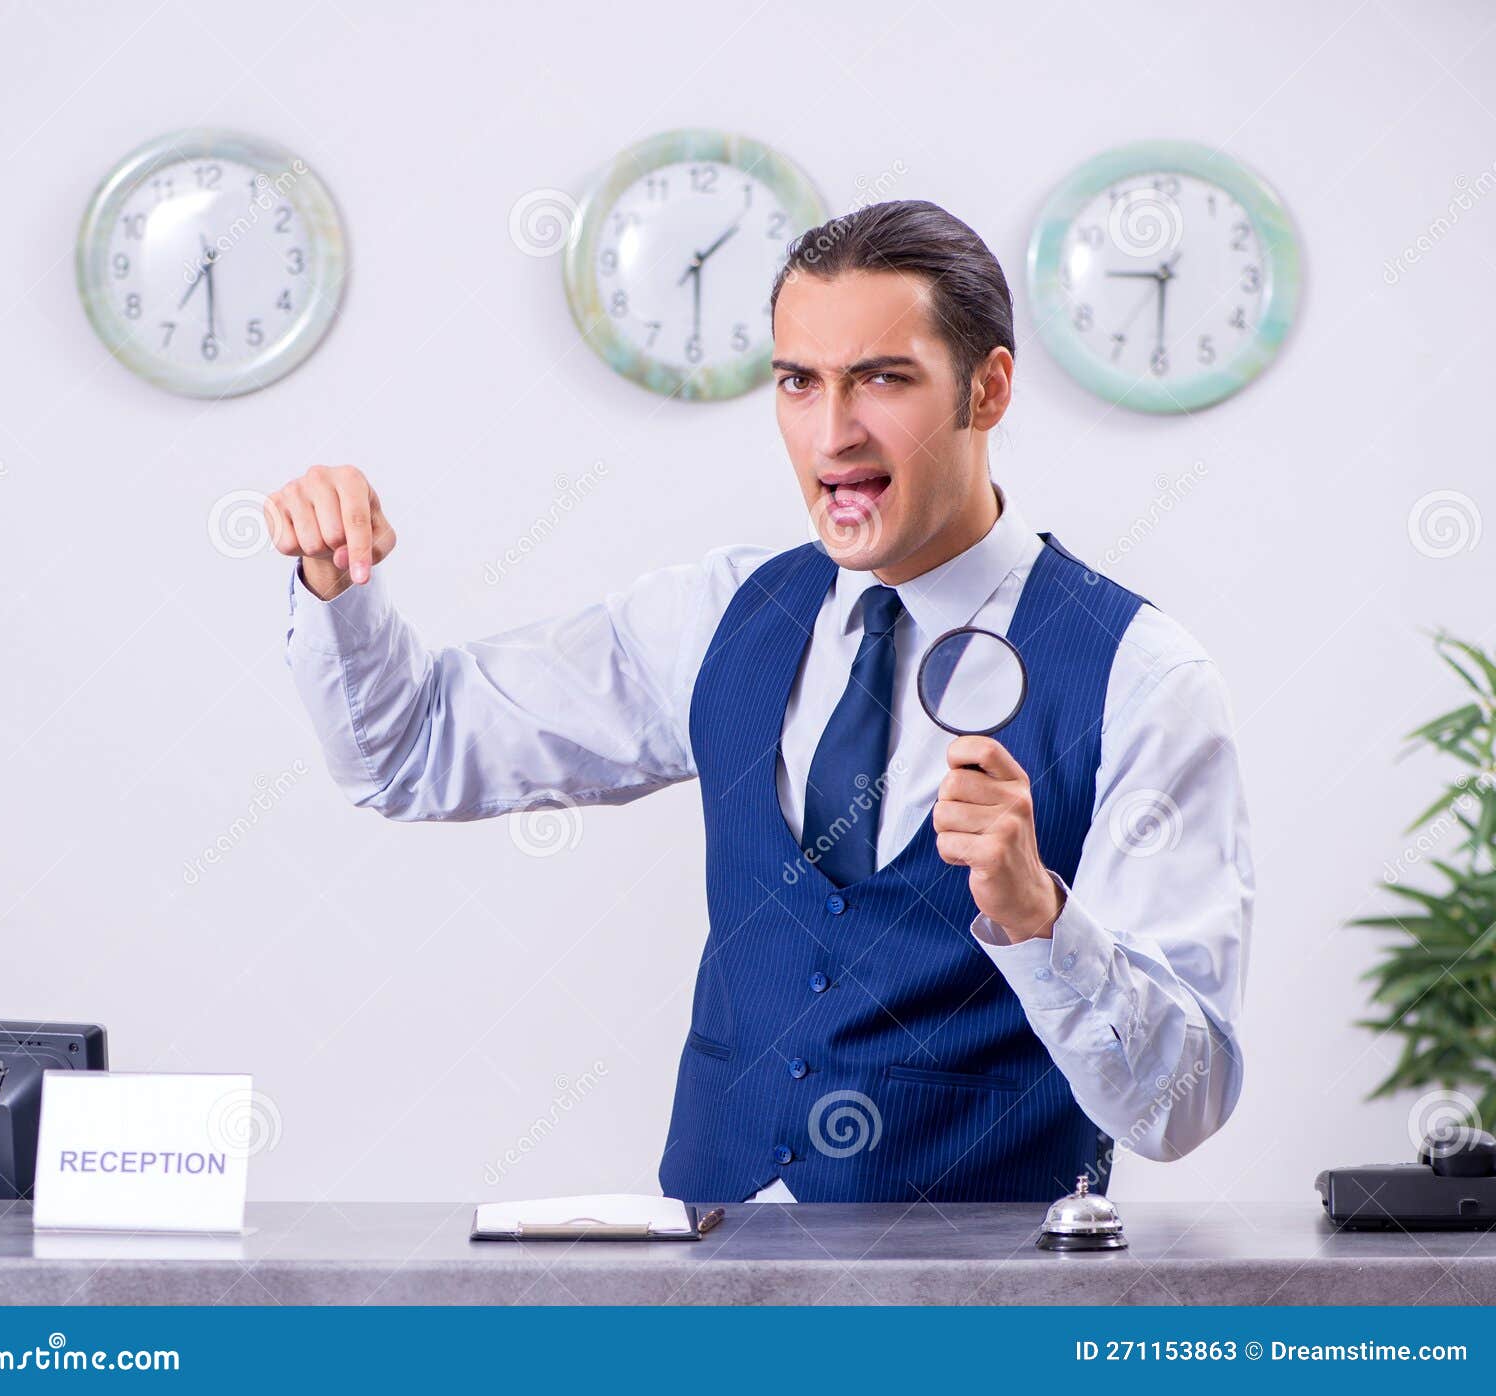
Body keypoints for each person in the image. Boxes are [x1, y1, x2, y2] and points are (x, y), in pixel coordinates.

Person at [268, 199, 1252, 1204]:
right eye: (799, 383)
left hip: (976, 1321)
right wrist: (334, 589)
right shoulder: (720, 616)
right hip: (710, 1305)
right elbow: (412, 752)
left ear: (988, 388)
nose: (832, 432)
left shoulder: (1139, 676)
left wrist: (1040, 918)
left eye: (882, 379)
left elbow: (1180, 1102)